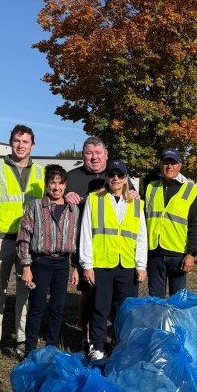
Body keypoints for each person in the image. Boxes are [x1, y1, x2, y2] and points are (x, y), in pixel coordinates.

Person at [0, 124, 45, 364]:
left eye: (25, 142)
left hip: (30, 242)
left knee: (26, 291)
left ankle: (21, 340)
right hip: (1, 238)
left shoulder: (41, 173)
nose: (20, 145)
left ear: (32, 145)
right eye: (17, 140)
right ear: (11, 142)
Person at [65, 136, 137, 355]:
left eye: (98, 152)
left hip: (108, 252)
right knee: (88, 296)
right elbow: (54, 196)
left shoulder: (116, 177)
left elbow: (128, 203)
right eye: (89, 153)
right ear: (83, 155)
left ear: (106, 154)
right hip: (79, 246)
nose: (94, 157)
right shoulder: (71, 177)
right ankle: (87, 339)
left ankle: (113, 339)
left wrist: (134, 194)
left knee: (109, 299)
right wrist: (64, 196)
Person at [78, 160, 147, 361]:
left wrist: (141, 266)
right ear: (106, 178)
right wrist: (87, 265)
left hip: (126, 264)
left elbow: (141, 236)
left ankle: (120, 345)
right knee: (99, 308)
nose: (115, 178)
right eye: (112, 175)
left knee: (124, 309)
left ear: (126, 179)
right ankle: (98, 347)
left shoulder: (136, 204)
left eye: (120, 175)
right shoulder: (94, 199)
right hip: (101, 263)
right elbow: (86, 233)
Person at [16, 165, 80, 357]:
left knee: (57, 307)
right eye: (53, 182)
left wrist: (75, 267)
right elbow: (24, 236)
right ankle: (30, 350)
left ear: (65, 185)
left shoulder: (73, 209)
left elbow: (76, 238)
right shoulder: (35, 206)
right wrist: (26, 266)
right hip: (40, 263)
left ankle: (51, 346)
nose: (56, 187)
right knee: (36, 308)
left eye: (60, 183)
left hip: (62, 264)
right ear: (46, 184)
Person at [144, 147, 197, 298]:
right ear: (161, 164)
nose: (169, 166)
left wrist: (191, 254)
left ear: (180, 165)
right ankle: (159, 323)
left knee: (178, 301)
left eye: (173, 163)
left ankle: (175, 323)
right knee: (155, 300)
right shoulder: (151, 187)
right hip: (154, 254)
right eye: (166, 162)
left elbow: (195, 226)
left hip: (178, 255)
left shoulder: (191, 190)